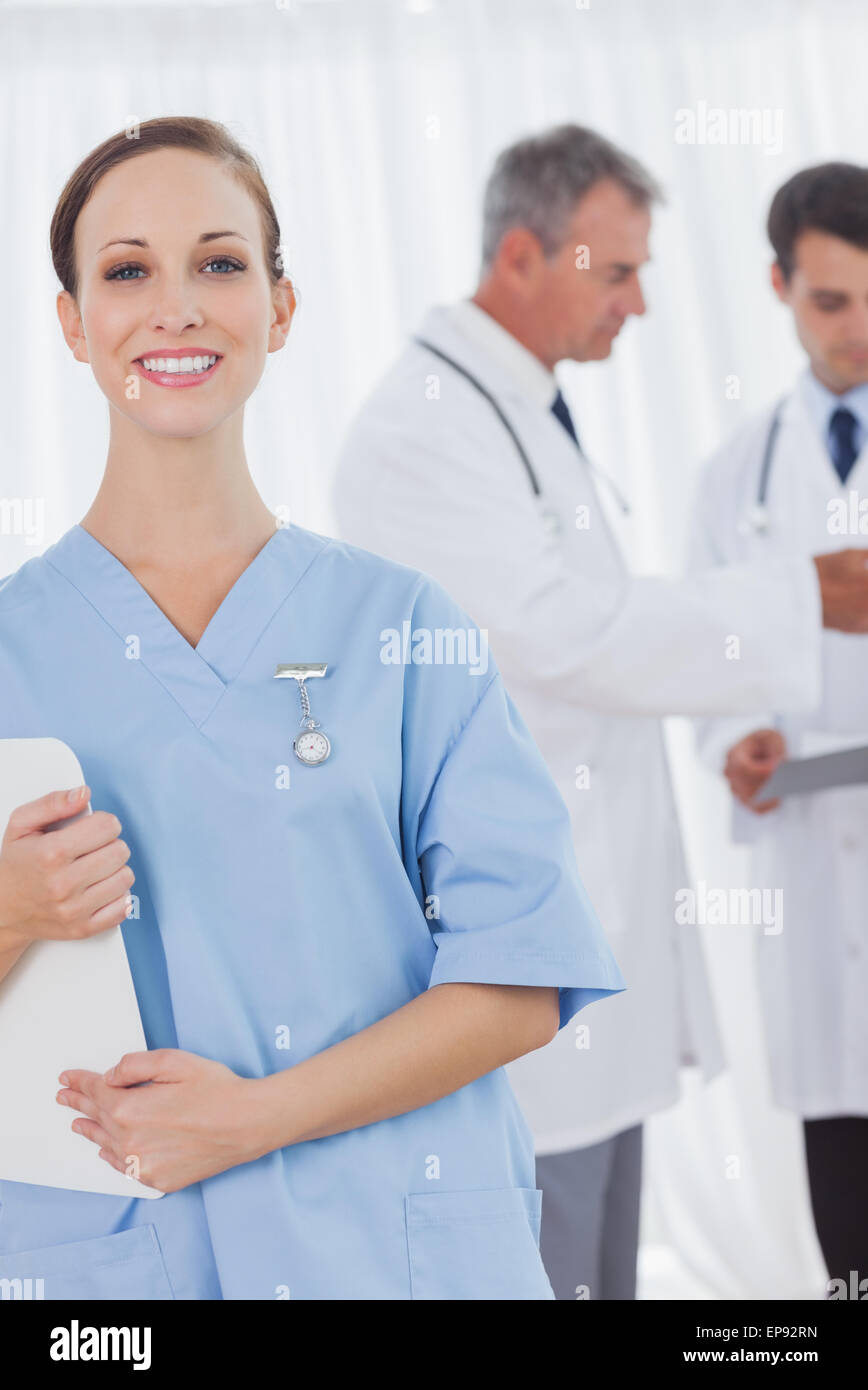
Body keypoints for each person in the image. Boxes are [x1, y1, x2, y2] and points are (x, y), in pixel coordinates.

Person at [0, 116, 627, 1302]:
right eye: (127, 269)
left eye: (221, 263)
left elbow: (523, 977)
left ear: (281, 310)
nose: (175, 306)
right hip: (109, 1267)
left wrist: (254, 1120)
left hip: (396, 1250)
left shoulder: (402, 627)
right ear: (74, 323)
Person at [331, 124, 868, 1300]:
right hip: (517, 952)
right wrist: (805, 597)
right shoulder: (431, 424)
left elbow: (599, 626)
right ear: (524, 254)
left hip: (577, 945)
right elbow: (563, 632)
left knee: (596, 1256)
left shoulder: (516, 407)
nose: (637, 302)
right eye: (616, 270)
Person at [688, 161, 868, 1292]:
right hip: (810, 858)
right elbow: (705, 642)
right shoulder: (729, 478)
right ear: (778, 286)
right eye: (831, 301)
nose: (859, 329)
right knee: (844, 1216)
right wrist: (736, 736)